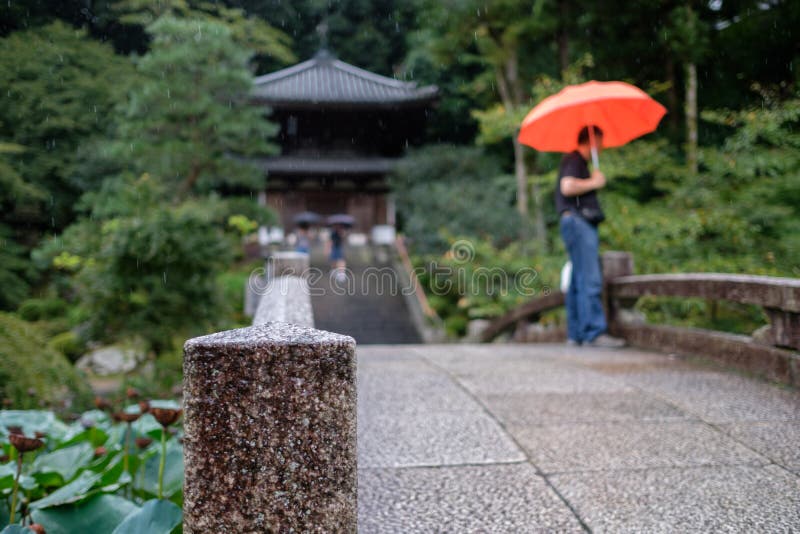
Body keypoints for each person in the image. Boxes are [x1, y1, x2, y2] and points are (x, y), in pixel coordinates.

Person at [556, 125, 625, 348]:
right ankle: (594, 331)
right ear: (592, 139)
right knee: (589, 277)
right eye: (601, 140)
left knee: (578, 279)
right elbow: (567, 187)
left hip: (573, 222)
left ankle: (576, 332)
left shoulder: (578, 162)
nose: (603, 146)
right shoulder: (574, 160)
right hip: (579, 222)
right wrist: (594, 182)